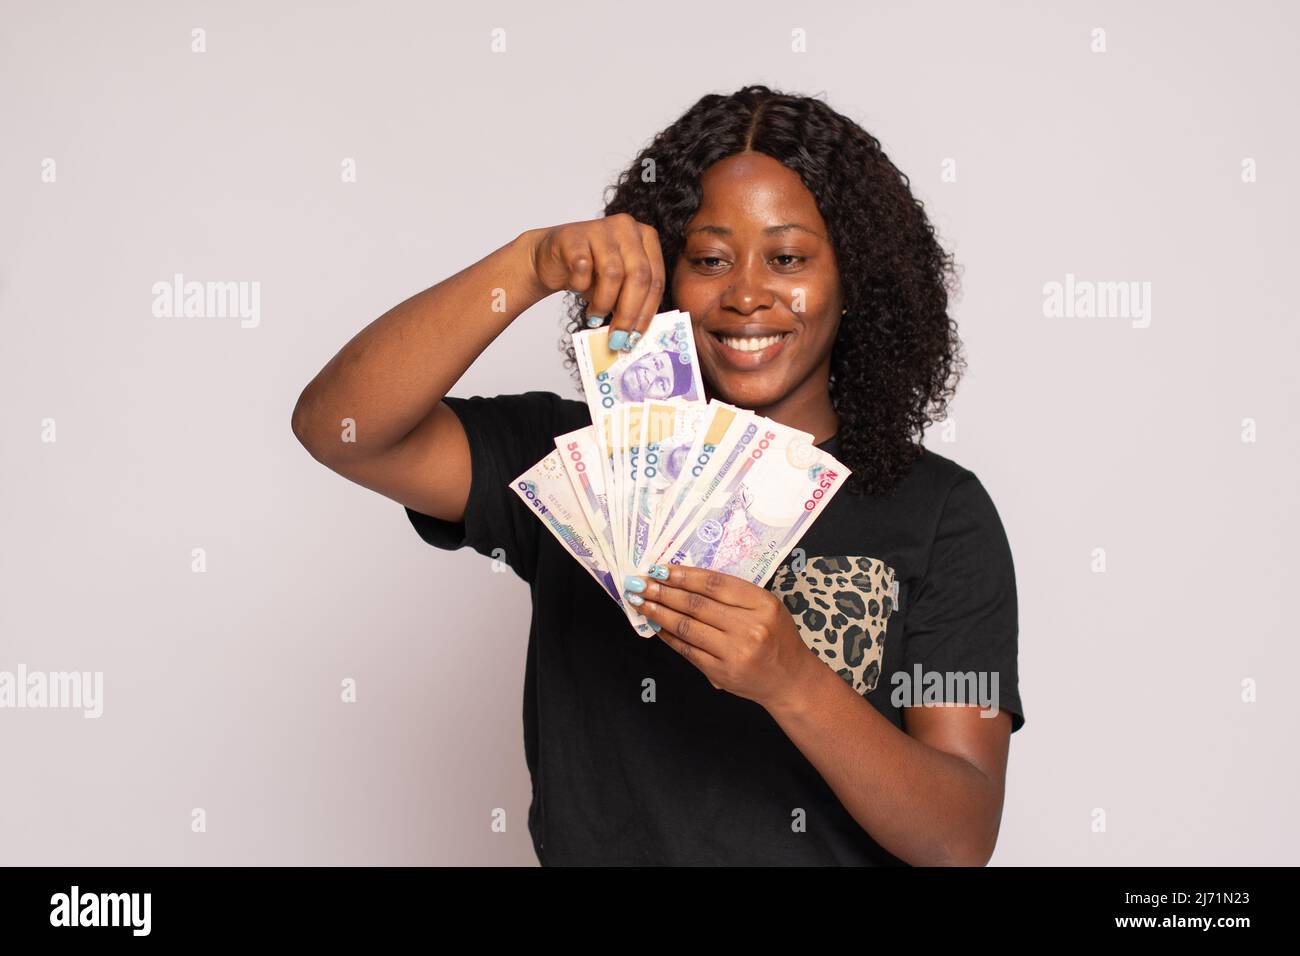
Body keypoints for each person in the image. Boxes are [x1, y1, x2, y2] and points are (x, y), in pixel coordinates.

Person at [292, 84, 1025, 866]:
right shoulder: (573, 459)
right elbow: (342, 430)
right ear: (666, 275)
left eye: (787, 258)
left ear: (855, 282)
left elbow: (958, 834)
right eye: (709, 259)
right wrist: (531, 262)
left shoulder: (943, 512)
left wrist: (793, 682)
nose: (746, 293)